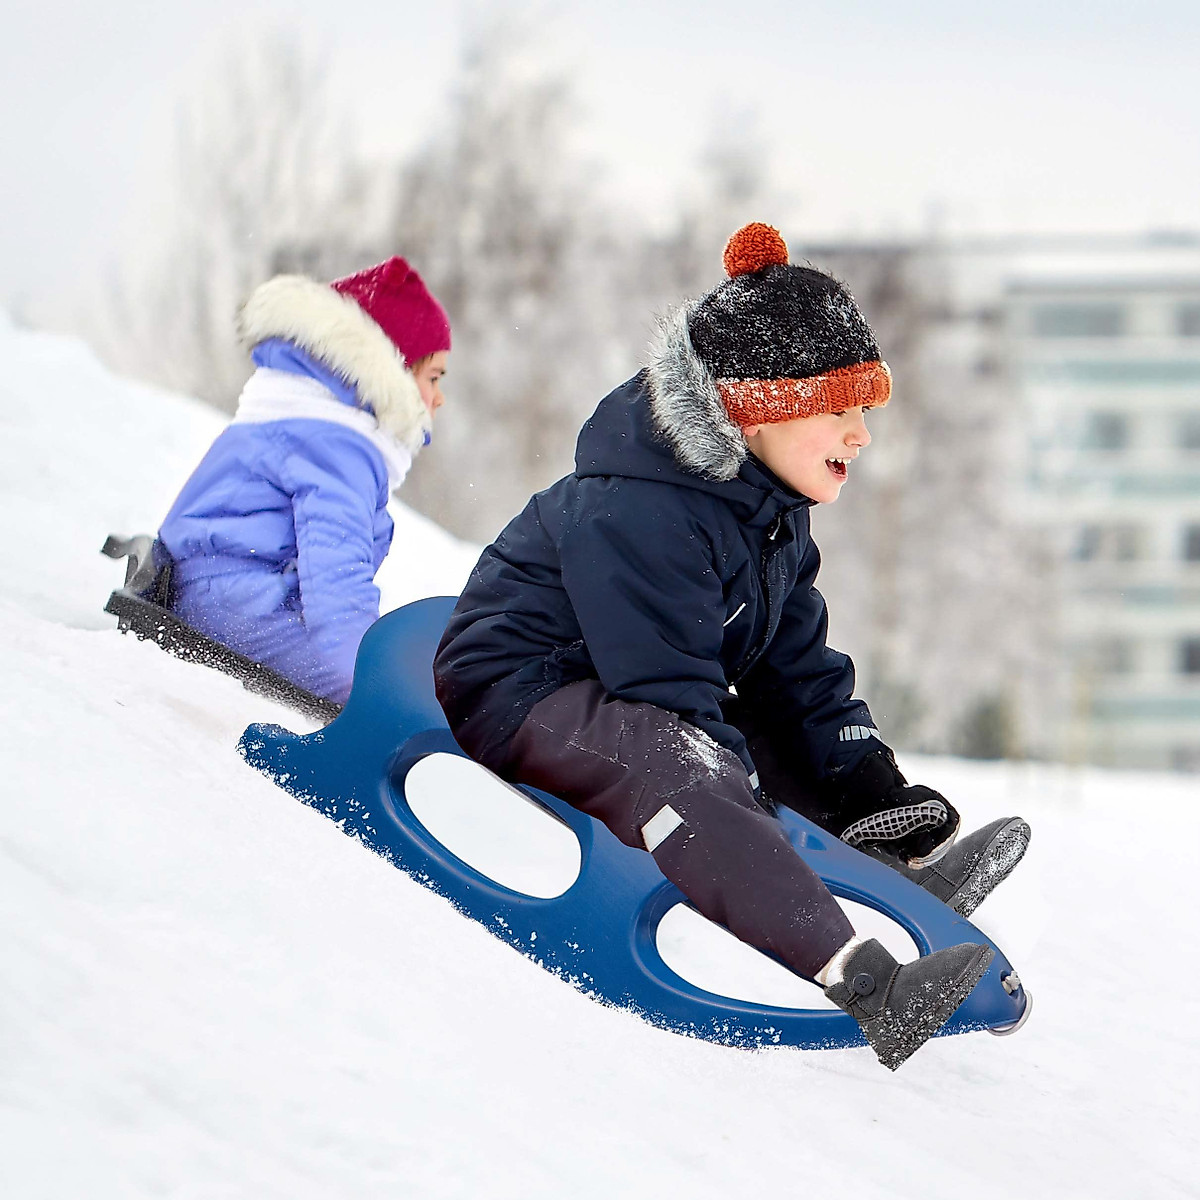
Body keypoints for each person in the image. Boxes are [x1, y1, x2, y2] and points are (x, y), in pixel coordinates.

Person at [433, 223, 1030, 1070]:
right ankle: (863, 981)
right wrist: (728, 789)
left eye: (865, 409)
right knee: (687, 763)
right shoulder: (639, 510)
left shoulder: (771, 512)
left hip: (632, 683)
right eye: (839, 409)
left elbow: (797, 668)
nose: (861, 434)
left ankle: (900, 872)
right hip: (525, 691)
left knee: (767, 726)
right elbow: (668, 697)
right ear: (756, 411)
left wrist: (866, 786)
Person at [157, 256, 450, 706]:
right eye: (432, 377)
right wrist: (372, 688)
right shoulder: (339, 445)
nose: (438, 397)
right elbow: (337, 580)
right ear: (392, 372)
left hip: (217, 593)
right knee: (399, 693)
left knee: (396, 671)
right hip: (240, 609)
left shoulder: (303, 420)